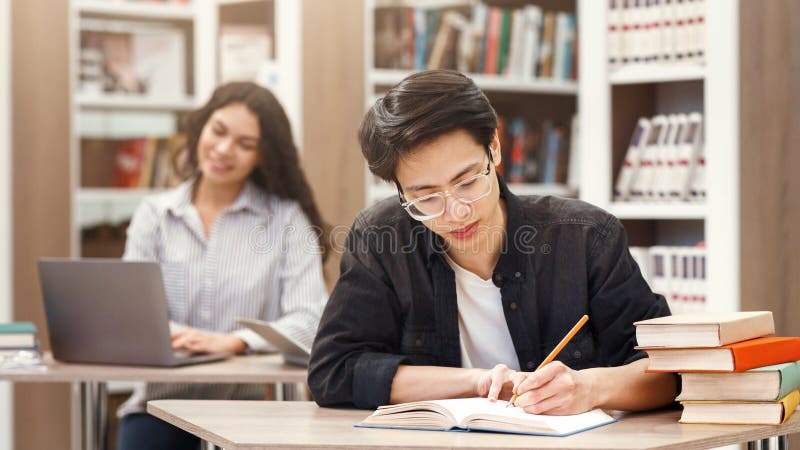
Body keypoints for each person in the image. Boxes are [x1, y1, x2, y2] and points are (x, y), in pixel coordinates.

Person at [308, 70, 678, 414]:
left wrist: (589, 388)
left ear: (494, 149)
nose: (456, 212)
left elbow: (668, 371)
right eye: (426, 198)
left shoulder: (584, 236)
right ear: (400, 191)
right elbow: (334, 372)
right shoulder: (381, 237)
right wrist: (477, 382)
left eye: (468, 182)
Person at [117, 81, 329, 450]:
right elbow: (128, 313)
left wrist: (234, 341)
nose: (224, 149)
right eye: (218, 131)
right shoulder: (155, 215)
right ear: (201, 127)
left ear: (262, 156)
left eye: (246, 144)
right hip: (161, 404)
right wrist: (177, 336)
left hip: (258, 407)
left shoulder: (286, 220)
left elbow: (313, 320)